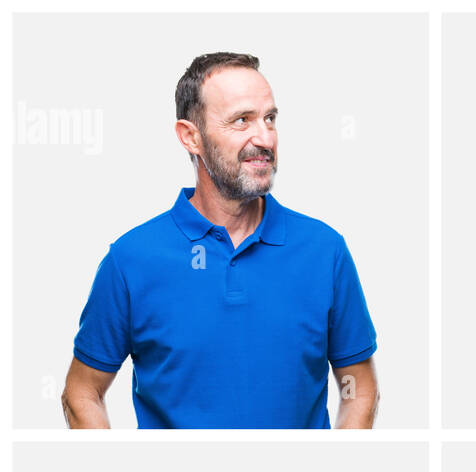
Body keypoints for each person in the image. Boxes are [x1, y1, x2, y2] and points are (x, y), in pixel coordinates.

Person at [62, 52, 378, 429]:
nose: (264, 138)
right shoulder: (131, 260)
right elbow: (82, 392)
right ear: (190, 136)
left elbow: (358, 386)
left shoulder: (325, 251)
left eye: (270, 119)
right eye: (242, 120)